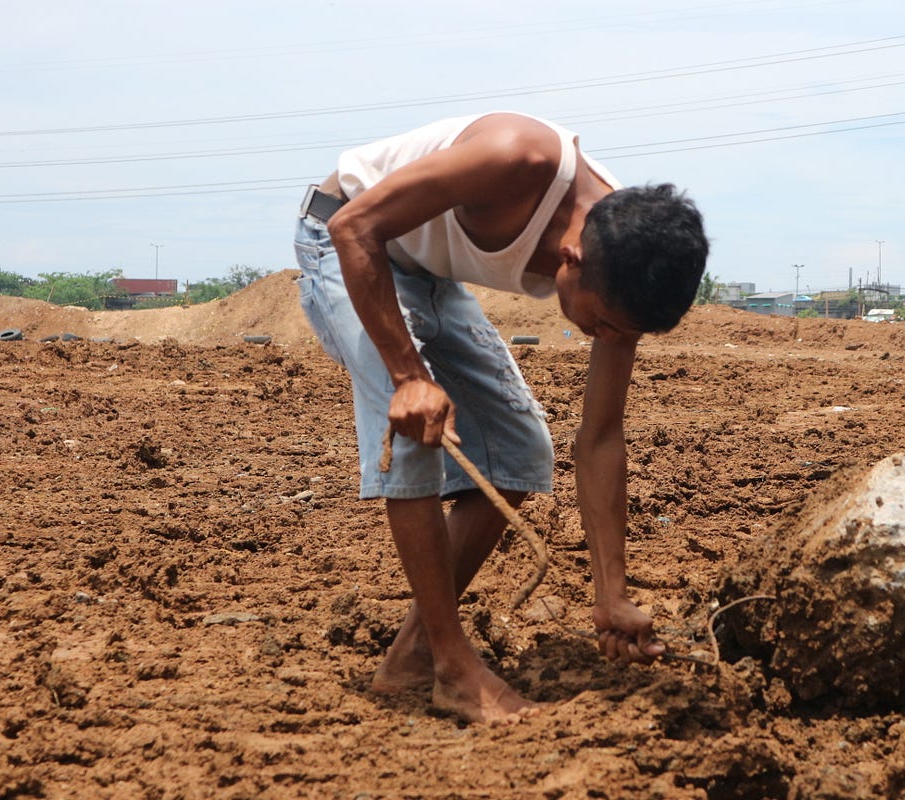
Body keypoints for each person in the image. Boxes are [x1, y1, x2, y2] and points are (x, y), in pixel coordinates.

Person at [293, 111, 709, 725]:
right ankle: (452, 669)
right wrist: (410, 378)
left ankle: (413, 651)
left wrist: (611, 593)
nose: (609, 338)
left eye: (624, 333)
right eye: (604, 325)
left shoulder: (625, 265)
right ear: (569, 259)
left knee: (517, 450)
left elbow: (599, 439)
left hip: (424, 269)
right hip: (345, 238)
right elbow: (358, 226)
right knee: (416, 432)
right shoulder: (518, 159)